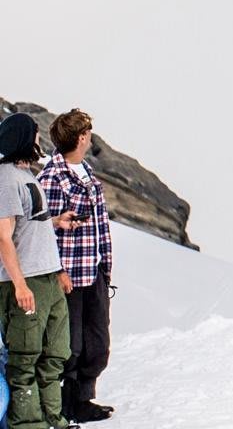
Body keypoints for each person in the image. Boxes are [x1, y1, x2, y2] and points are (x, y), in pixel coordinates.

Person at [33, 120, 105, 424]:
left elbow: (101, 226)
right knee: (70, 346)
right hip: (68, 275)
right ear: (81, 137)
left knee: (97, 342)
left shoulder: (87, 174)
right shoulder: (50, 178)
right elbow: (39, 230)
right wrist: (59, 270)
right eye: (87, 132)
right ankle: (64, 404)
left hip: (94, 269)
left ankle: (83, 398)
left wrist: (106, 268)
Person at [0, 113, 67, 429]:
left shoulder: (26, 176)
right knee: (25, 358)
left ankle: (53, 419)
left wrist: (56, 222)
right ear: (24, 138)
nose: (40, 140)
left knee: (54, 354)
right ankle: (27, 425)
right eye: (36, 134)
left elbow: (28, 224)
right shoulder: (5, 178)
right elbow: (3, 235)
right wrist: (20, 285)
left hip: (49, 277)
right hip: (27, 282)